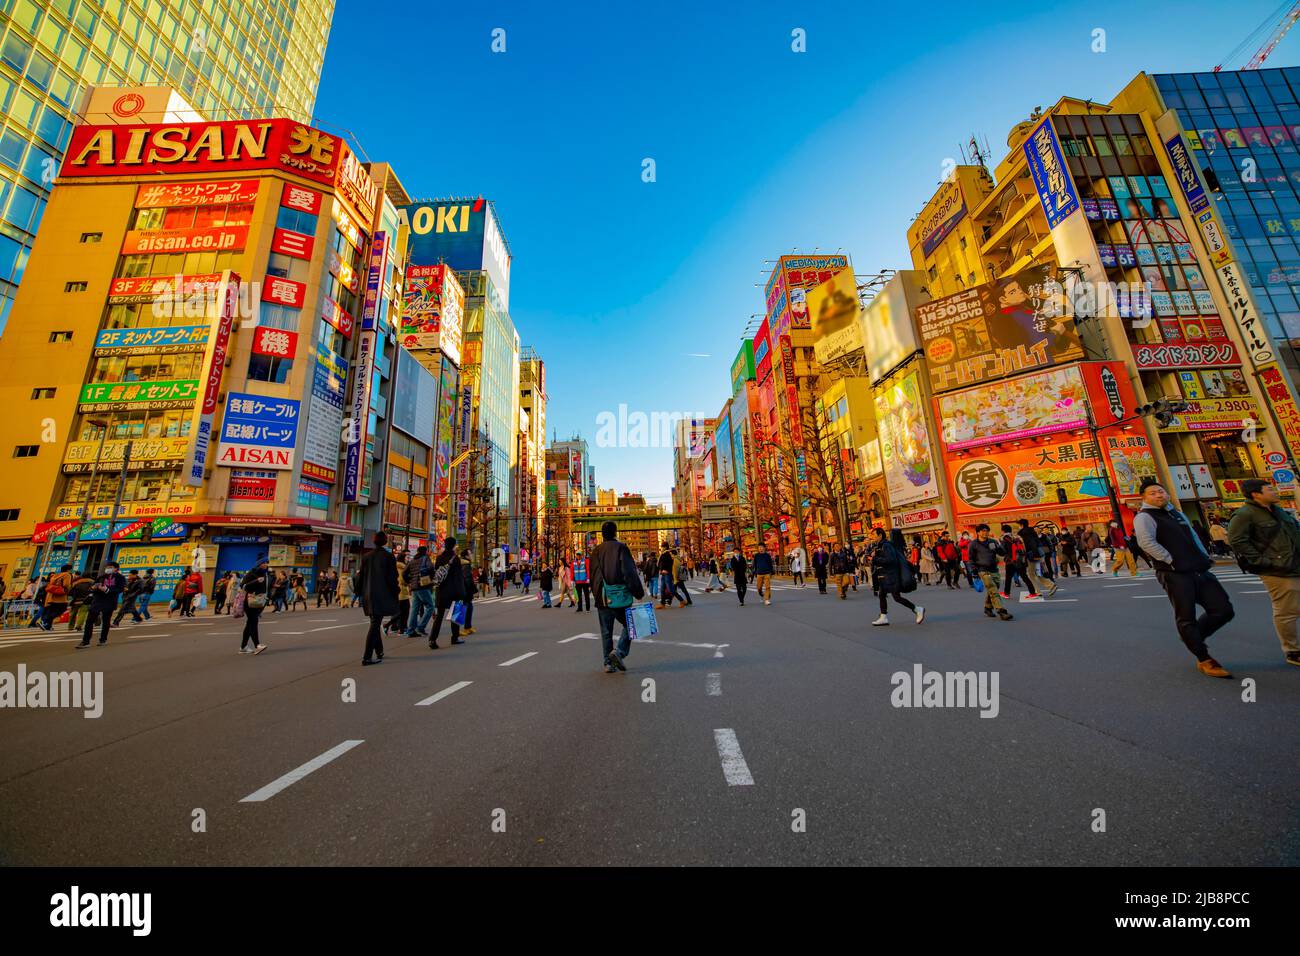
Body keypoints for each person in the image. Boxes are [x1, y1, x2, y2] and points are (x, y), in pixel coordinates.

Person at [1133, 479, 1234, 678]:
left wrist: (1204, 555)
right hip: (1174, 573)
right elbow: (1146, 542)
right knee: (1186, 616)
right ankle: (1204, 658)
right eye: (1152, 493)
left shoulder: (1175, 513)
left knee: (1223, 610)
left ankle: (1191, 637)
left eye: (1161, 491)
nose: (1159, 495)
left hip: (1199, 569)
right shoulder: (1144, 517)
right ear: (1143, 498)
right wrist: (1171, 560)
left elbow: (1194, 537)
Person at [1227, 478, 1300, 666]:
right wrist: (1263, 562)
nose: (1274, 491)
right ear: (1256, 494)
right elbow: (1237, 541)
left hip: (1296, 563)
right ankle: (1292, 650)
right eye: (1269, 489)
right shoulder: (1244, 514)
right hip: (1276, 570)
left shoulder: (1279, 511)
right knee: (1287, 610)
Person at [590, 521, 645, 673]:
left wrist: (597, 594)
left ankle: (608, 663)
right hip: (620, 596)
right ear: (615, 532)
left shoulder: (596, 551)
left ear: (602, 534)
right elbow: (629, 572)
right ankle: (619, 652)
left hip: (602, 597)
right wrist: (638, 592)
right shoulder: (621, 548)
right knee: (632, 624)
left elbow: (593, 575)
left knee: (606, 631)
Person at [356, 531, 399, 665]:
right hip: (382, 594)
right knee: (375, 624)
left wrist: (358, 592)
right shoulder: (388, 556)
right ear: (385, 541)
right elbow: (392, 578)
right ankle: (367, 656)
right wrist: (395, 590)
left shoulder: (366, 556)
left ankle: (379, 651)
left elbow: (360, 576)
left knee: (375, 621)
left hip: (368, 594)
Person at [869, 527, 924, 626]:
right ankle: (883, 616)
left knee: (896, 597)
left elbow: (890, 560)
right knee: (882, 594)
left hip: (891, 576)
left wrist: (875, 558)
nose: (872, 537)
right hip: (885, 576)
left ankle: (917, 609)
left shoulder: (886, 545)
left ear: (880, 535)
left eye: (873, 535)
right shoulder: (880, 545)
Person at [426, 537, 467, 649]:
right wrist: (462, 592)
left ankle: (432, 640)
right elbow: (459, 577)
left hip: (441, 590)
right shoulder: (456, 558)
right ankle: (455, 637)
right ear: (454, 545)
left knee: (439, 616)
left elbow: (437, 575)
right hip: (454, 590)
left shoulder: (439, 558)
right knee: (456, 614)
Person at [75, 560, 125, 648]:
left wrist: (107, 590)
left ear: (116, 569)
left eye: (110, 567)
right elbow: (93, 586)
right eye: (107, 567)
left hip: (110, 601)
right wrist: (93, 587)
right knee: (89, 620)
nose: (108, 569)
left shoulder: (120, 578)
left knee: (106, 621)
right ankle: (85, 641)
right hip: (97, 601)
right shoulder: (102, 576)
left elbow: (120, 589)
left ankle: (103, 639)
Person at [969, 525, 1014, 621]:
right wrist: (974, 572)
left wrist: (997, 548)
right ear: (978, 532)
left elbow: (1002, 553)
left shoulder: (993, 541)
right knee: (993, 589)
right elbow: (971, 559)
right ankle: (1001, 611)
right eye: (983, 531)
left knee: (995, 587)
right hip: (982, 570)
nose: (985, 532)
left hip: (994, 569)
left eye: (987, 530)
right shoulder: (973, 544)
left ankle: (988, 607)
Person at [1017, 519, 1058, 597]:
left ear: (1021, 525)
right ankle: (1048, 586)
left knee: (1032, 574)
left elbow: (1032, 543)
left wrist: (1035, 555)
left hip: (1032, 554)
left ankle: (1042, 589)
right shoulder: (1032, 531)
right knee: (1036, 572)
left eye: (1019, 525)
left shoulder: (1025, 533)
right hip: (1038, 553)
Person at [239, 559, 270, 654]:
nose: (266, 564)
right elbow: (243, 586)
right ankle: (257, 645)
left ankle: (243, 647)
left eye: (266, 563)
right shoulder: (252, 573)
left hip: (259, 602)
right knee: (253, 622)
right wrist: (256, 581)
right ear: (259, 564)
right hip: (250, 601)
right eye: (264, 563)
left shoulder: (265, 574)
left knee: (250, 624)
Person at [999, 524, 1039, 599]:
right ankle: (1033, 593)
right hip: (1020, 560)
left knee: (1008, 578)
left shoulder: (1004, 538)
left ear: (1003, 531)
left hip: (1010, 561)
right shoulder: (1017, 537)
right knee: (1024, 576)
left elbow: (1003, 551)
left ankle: (1006, 593)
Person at [404, 545, 435, 638]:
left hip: (414, 587)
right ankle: (420, 627)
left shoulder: (412, 561)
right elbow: (430, 568)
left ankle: (411, 630)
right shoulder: (425, 558)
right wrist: (430, 577)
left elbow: (404, 573)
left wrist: (409, 581)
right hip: (423, 585)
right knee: (430, 606)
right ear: (425, 552)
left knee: (414, 609)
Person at [40, 563, 73, 631]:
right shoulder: (67, 574)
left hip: (51, 596)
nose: (71, 571)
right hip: (60, 597)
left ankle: (47, 626)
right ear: (68, 570)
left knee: (52, 611)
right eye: (70, 570)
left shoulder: (56, 575)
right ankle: (45, 621)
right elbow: (66, 585)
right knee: (62, 609)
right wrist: (68, 590)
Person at [388, 551, 410, 635]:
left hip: (396, 591)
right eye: (406, 557)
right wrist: (408, 582)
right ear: (402, 558)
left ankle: (394, 627)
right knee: (404, 611)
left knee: (398, 611)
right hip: (402, 591)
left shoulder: (394, 566)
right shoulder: (402, 567)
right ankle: (402, 629)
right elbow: (402, 580)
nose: (408, 559)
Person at [460, 550, 478, 635]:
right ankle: (463, 628)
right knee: (465, 609)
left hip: (465, 590)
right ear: (466, 556)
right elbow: (468, 579)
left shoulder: (465, 564)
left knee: (469, 607)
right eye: (470, 553)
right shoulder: (465, 565)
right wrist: (474, 590)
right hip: (465, 590)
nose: (471, 555)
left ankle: (468, 627)